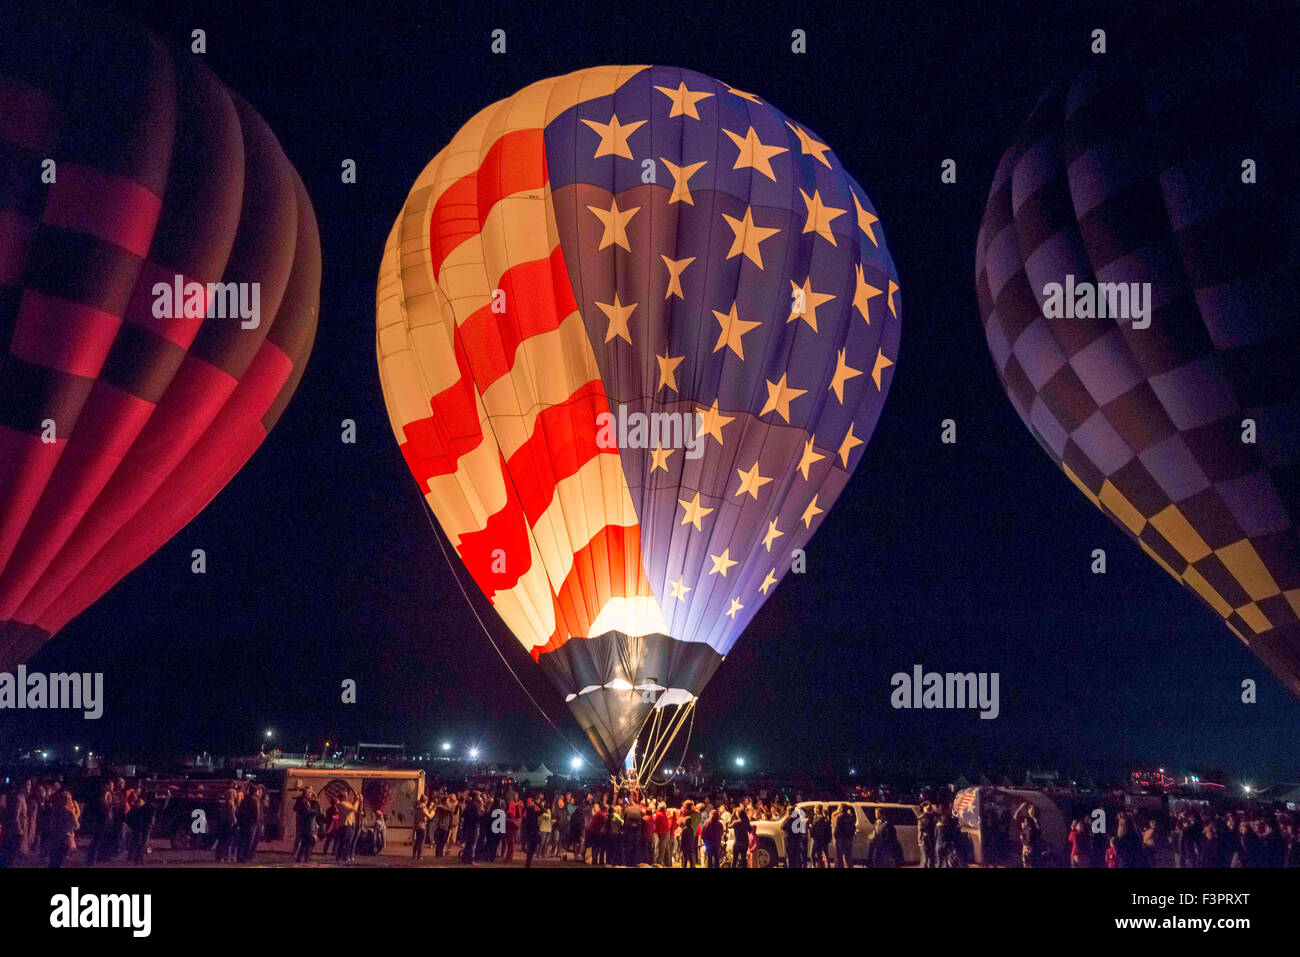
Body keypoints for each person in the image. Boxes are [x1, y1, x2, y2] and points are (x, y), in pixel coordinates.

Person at [46, 790, 80, 869]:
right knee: (59, 862)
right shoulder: (69, 812)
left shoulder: (55, 810)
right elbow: (76, 826)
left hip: (54, 839)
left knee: (53, 863)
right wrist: (77, 814)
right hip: (64, 840)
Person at [293, 788, 324, 863]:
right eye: (310, 793)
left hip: (306, 826)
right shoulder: (304, 802)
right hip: (307, 827)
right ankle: (305, 861)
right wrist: (318, 813)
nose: (311, 795)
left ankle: (301, 860)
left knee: (304, 845)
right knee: (308, 845)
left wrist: (315, 797)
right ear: (306, 794)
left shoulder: (306, 801)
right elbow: (308, 812)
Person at [680, 801, 700, 869]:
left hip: (686, 840)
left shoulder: (688, 816)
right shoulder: (698, 814)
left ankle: (684, 866)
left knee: (685, 856)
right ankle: (693, 865)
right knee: (692, 853)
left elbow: (680, 824)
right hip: (694, 835)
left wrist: (681, 847)